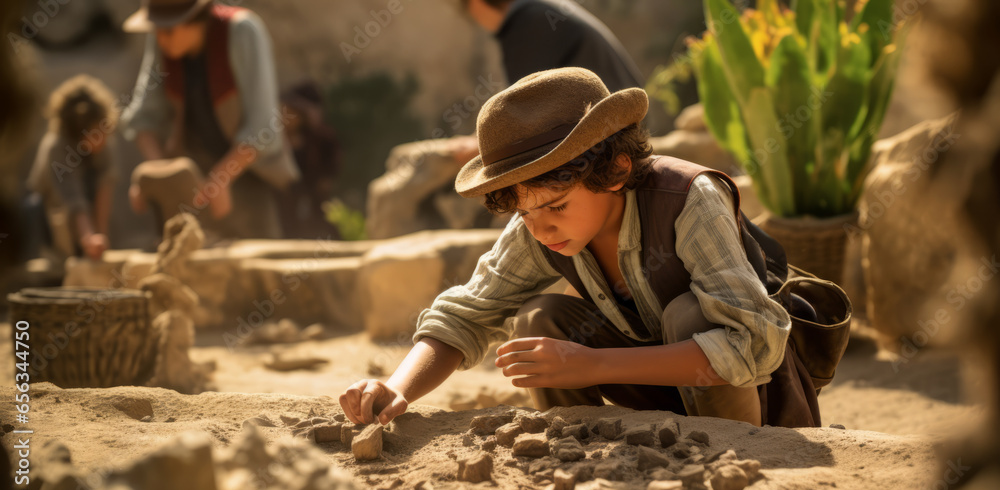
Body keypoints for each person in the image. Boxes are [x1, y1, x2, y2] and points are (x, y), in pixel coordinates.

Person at [340, 68, 832, 429]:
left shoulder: (689, 199)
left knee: (691, 316)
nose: (540, 228)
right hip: (658, 401)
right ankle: (583, 441)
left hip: (757, 410)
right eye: (523, 212)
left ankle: (733, 450)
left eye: (555, 206)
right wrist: (397, 388)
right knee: (538, 321)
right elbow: (468, 312)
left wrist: (594, 365)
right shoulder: (539, 222)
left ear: (616, 170)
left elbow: (754, 344)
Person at [121, 0, 299, 240]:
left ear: (194, 20)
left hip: (248, 179)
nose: (161, 39)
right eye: (157, 30)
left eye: (169, 30)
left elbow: (264, 128)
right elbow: (143, 116)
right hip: (190, 184)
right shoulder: (163, 40)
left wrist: (220, 179)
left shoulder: (242, 31)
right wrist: (158, 173)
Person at [27, 75, 119, 261]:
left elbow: (105, 188)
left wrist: (100, 236)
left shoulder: (104, 140)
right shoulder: (56, 147)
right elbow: (72, 198)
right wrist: (88, 238)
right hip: (50, 210)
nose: (102, 140)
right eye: (95, 135)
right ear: (79, 132)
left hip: (83, 209)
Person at [463, 0, 644, 91]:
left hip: (608, 131)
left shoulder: (524, 23)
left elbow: (521, 108)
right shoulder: (536, 10)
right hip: (625, 119)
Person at [278, 82, 341, 239]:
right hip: (284, 202)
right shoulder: (276, 139)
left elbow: (330, 167)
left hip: (312, 200)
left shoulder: (321, 139)